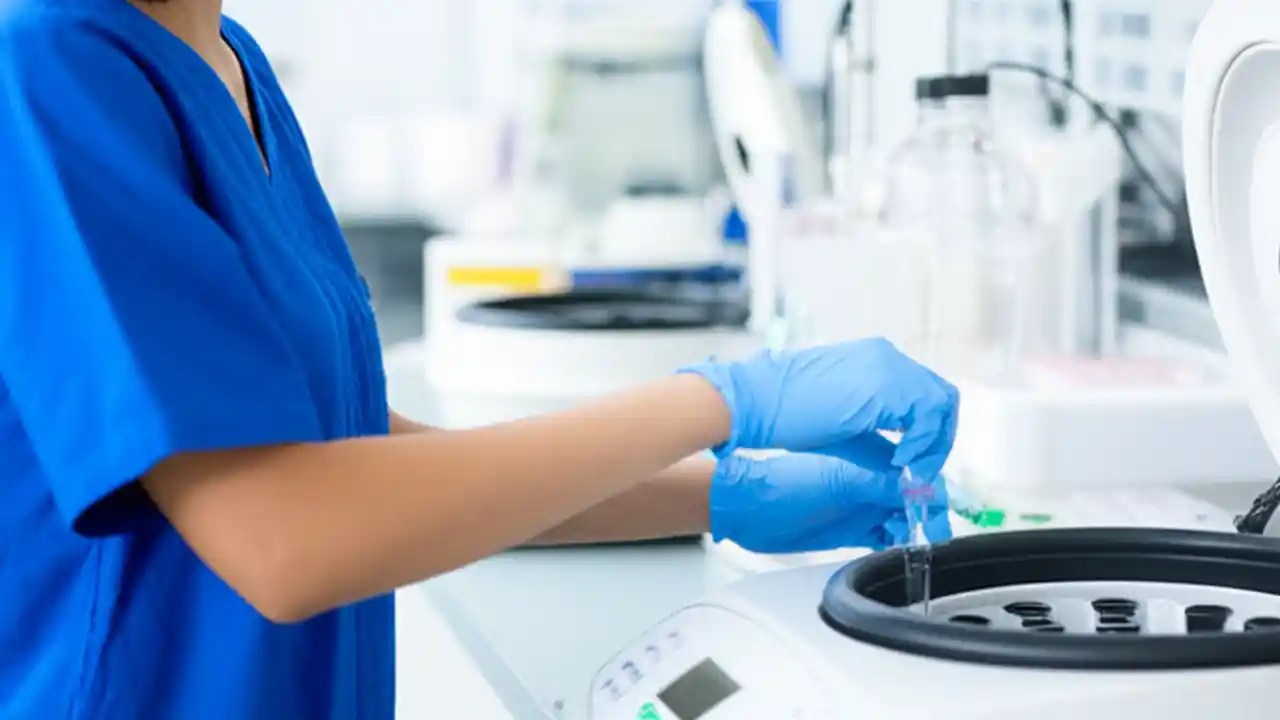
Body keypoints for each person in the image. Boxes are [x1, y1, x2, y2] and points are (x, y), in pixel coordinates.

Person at [0, 0, 958, 718]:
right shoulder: (47, 65)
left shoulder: (224, 55)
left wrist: (717, 494)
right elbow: (285, 534)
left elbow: (345, 445)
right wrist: (719, 399)